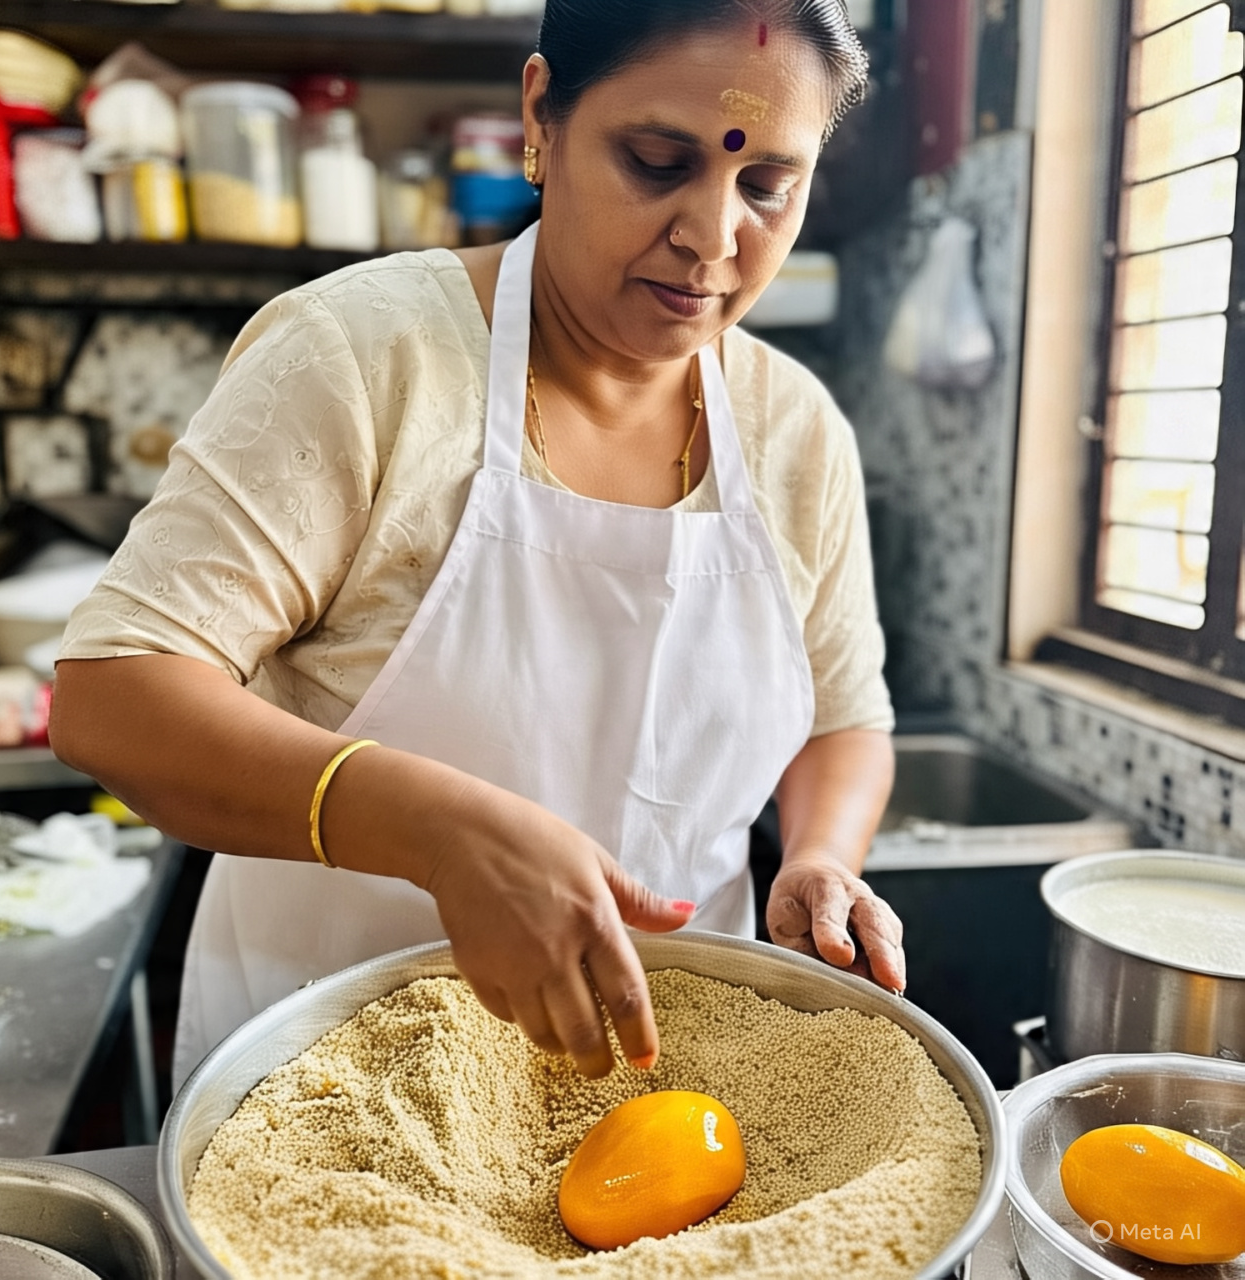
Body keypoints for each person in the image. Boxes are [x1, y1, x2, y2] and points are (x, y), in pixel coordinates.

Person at [49, 0, 903, 1091]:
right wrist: (437, 830)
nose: (713, 234)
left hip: (665, 1077)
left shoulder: (795, 432)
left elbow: (844, 714)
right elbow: (112, 694)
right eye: (654, 161)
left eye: (767, 185)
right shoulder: (364, 358)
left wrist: (822, 855)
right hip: (339, 1086)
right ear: (541, 115)